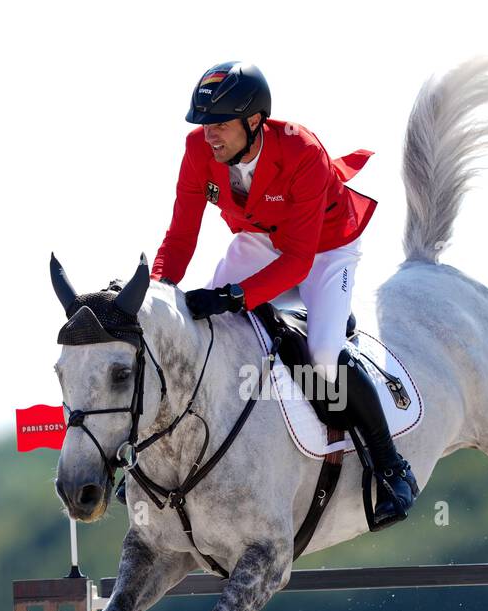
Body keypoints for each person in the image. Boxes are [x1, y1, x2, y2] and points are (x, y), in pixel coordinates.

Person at [149, 60, 419, 526]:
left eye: (220, 125)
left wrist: (237, 297)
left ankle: (391, 466)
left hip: (325, 246)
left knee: (324, 355)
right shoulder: (198, 151)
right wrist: (158, 293)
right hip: (259, 239)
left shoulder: (301, 150)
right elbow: (180, 238)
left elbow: (297, 259)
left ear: (255, 121)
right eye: (205, 125)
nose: (210, 136)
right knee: (204, 332)